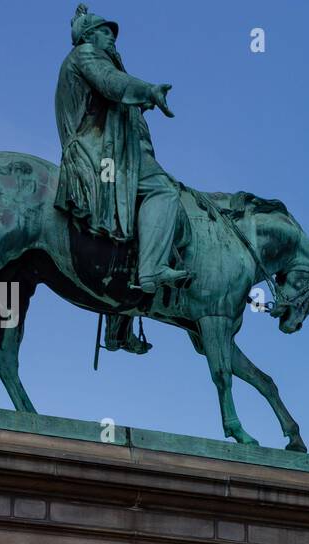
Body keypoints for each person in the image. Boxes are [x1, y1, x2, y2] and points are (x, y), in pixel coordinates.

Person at [54, 4, 188, 353]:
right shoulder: (86, 54)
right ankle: (152, 273)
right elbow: (112, 84)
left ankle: (120, 325)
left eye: (111, 34)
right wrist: (148, 91)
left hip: (114, 153)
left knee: (134, 233)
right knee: (163, 192)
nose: (112, 39)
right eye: (106, 33)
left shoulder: (94, 56)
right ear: (88, 36)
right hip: (99, 155)